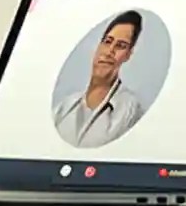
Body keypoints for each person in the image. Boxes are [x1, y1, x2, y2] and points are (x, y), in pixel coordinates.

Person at [52, 10, 147, 148]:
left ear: (128, 54)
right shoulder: (64, 107)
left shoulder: (130, 110)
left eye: (120, 46)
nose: (109, 51)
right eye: (107, 42)